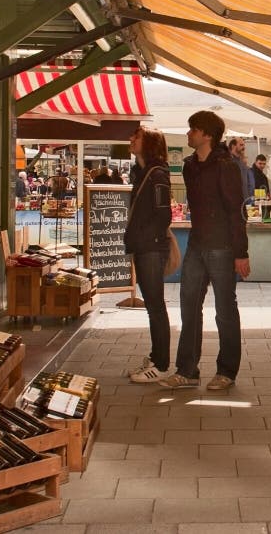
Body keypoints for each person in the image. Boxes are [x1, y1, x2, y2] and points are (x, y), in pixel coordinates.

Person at [160, 111, 249, 391]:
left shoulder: (226, 166)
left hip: (222, 247)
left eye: (192, 130)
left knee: (224, 310)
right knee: (189, 306)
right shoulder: (189, 166)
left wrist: (241, 253)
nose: (188, 134)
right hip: (197, 245)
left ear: (207, 135)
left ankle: (227, 371)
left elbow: (237, 210)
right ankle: (187, 371)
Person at [124, 127, 172, 384]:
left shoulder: (157, 175)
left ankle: (162, 364)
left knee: (155, 306)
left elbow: (163, 214)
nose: (131, 139)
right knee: (153, 306)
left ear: (150, 143)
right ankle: (156, 357)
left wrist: (146, 238)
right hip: (145, 247)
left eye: (137, 136)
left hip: (151, 248)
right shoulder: (143, 173)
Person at [228, 137, 255, 202]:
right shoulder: (228, 162)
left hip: (245, 200)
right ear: (233, 146)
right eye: (241, 145)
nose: (244, 147)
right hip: (233, 200)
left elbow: (247, 182)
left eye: (244, 145)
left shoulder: (242, 162)